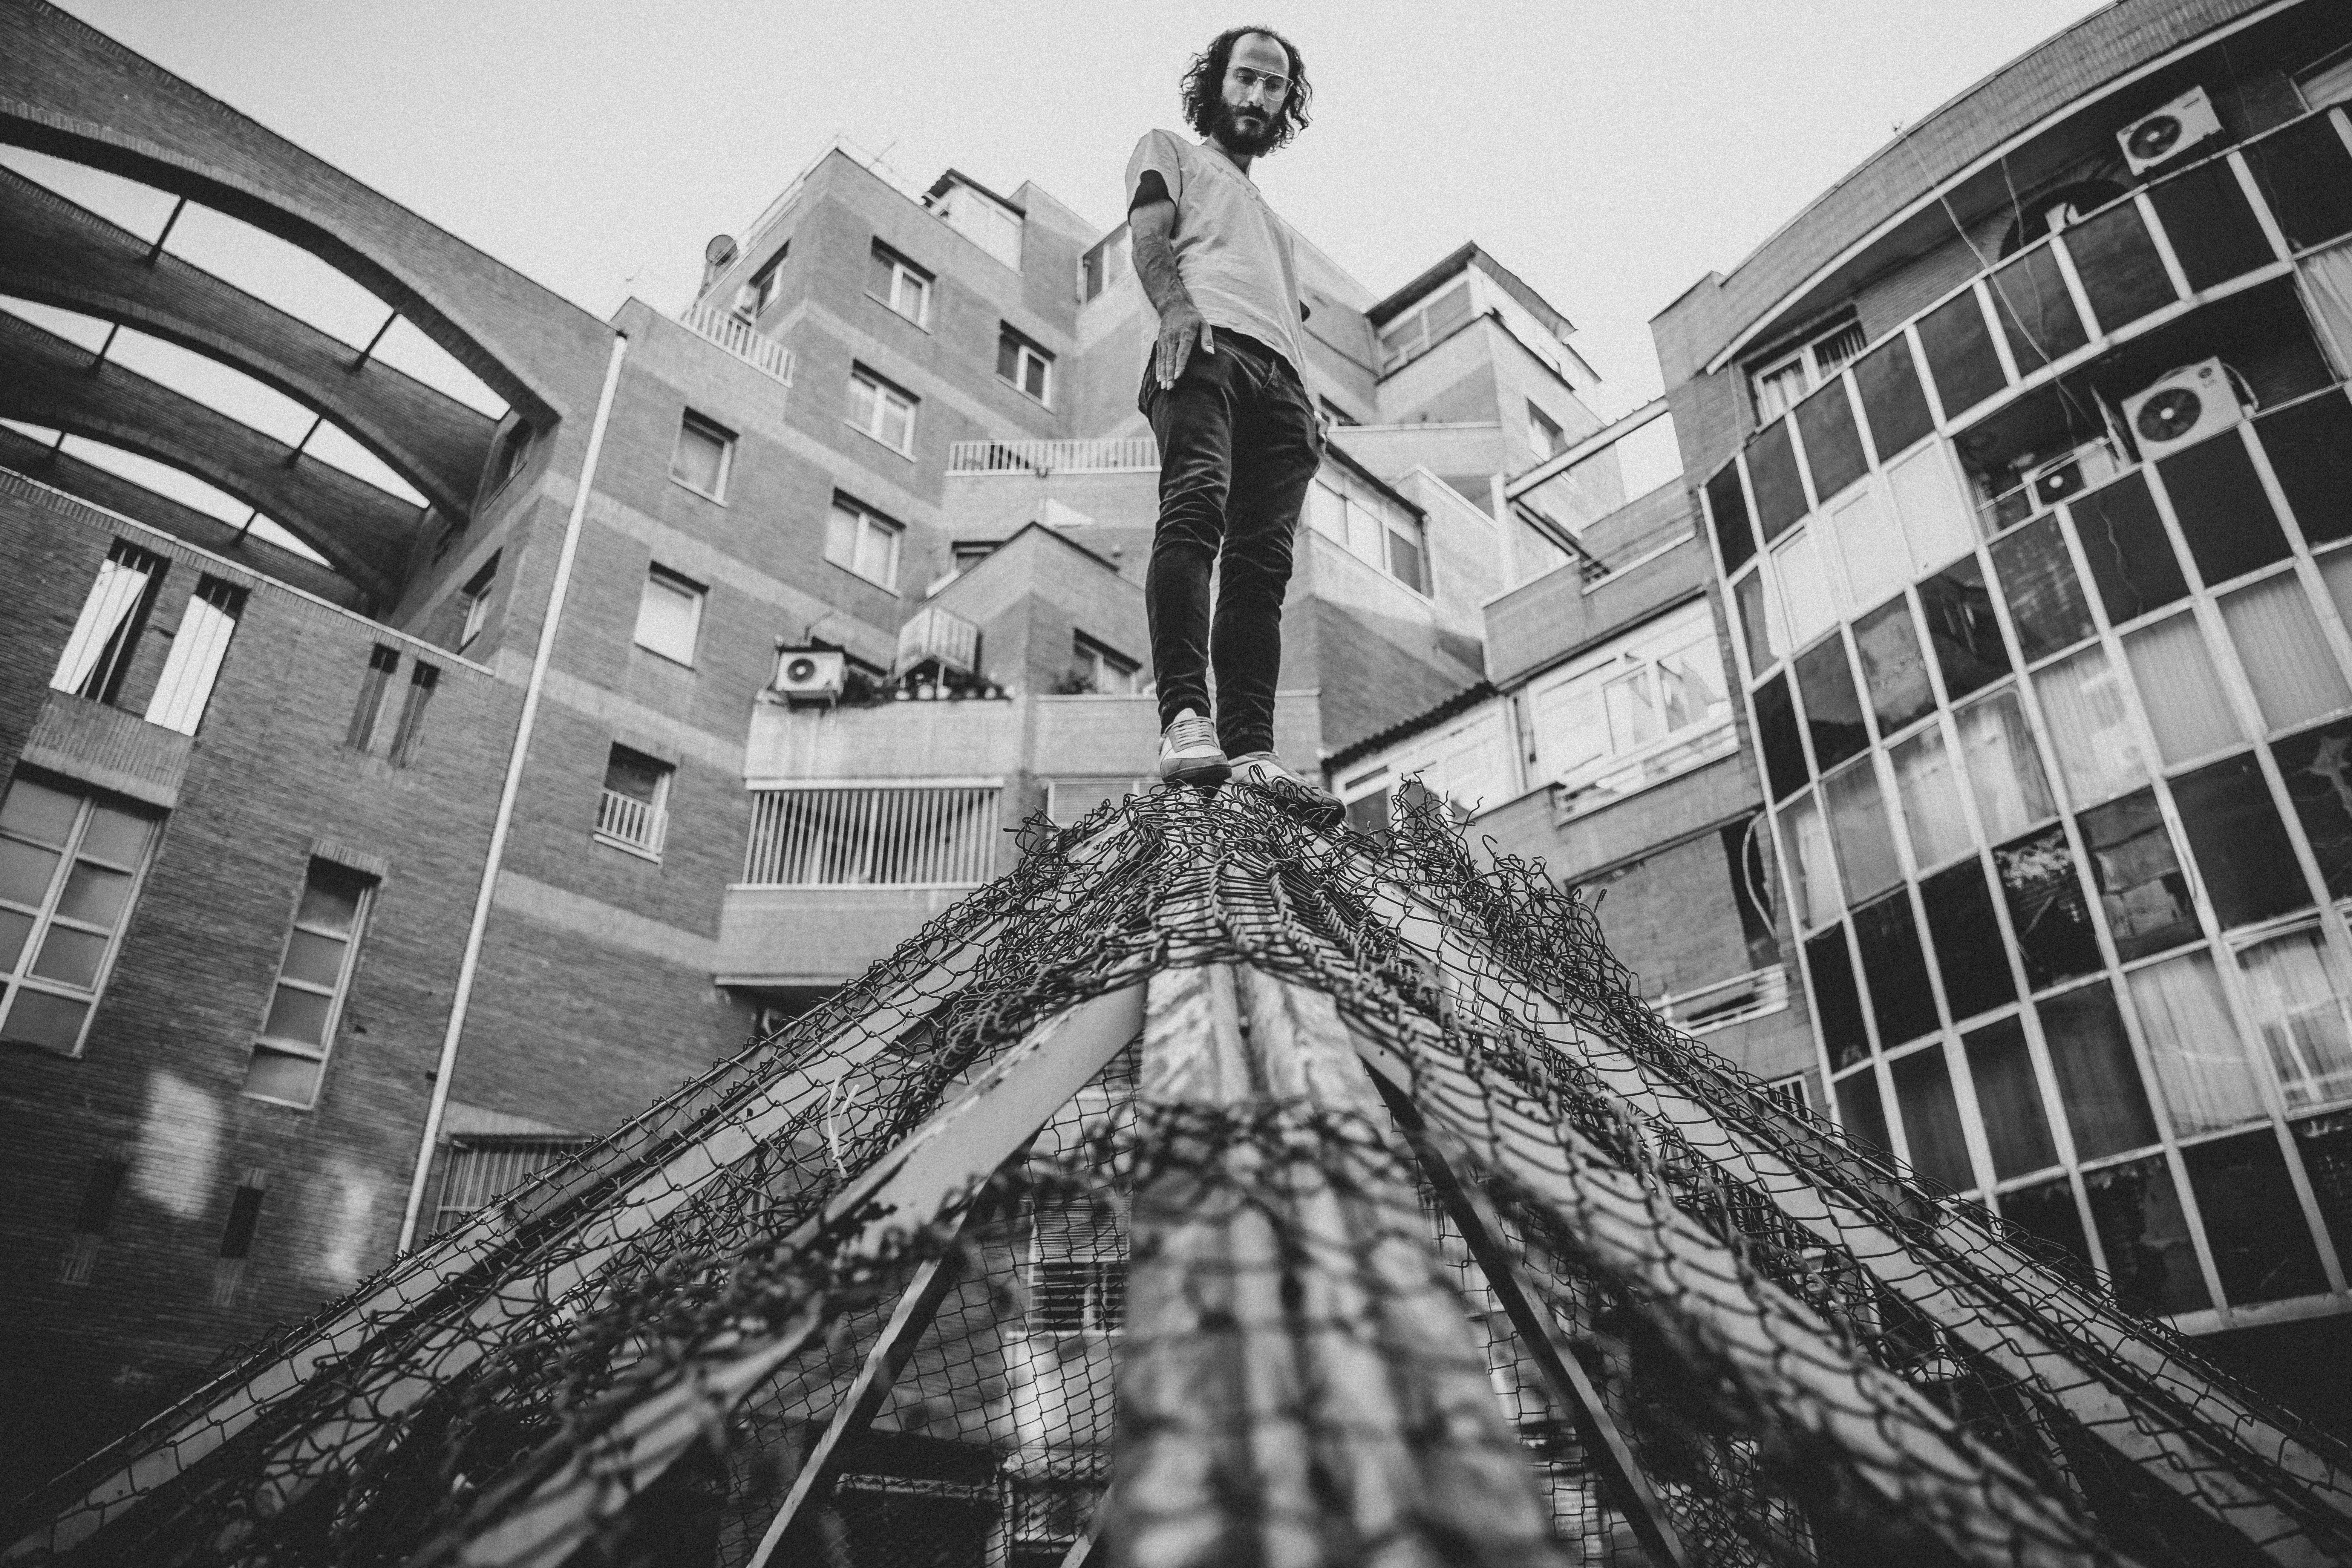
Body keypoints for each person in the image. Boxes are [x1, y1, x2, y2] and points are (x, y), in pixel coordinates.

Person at [1126, 25, 1343, 825]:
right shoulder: (1170, 152)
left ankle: (1252, 752)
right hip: (1206, 351)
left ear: (1286, 104)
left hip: (1284, 391)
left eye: (1273, 86)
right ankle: (1185, 718)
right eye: (1245, 77)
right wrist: (1176, 310)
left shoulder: (1277, 228)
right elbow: (1148, 240)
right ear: (1217, 83)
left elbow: (1287, 320)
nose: (1257, 96)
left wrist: (1310, 405)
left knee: (1262, 573)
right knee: (1193, 513)